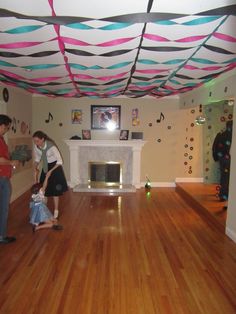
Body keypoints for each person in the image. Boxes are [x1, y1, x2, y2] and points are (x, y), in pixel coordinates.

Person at [32, 131, 68, 219]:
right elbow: (37, 158)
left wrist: (50, 171)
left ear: (42, 139)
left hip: (55, 167)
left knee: (55, 191)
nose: (35, 143)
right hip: (45, 167)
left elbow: (60, 161)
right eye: (34, 141)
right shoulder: (37, 147)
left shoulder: (51, 146)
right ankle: (44, 210)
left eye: (37, 141)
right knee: (44, 191)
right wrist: (35, 166)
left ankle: (56, 210)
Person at [0, 114, 20, 244]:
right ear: (1, 125)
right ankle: (1, 236)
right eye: (6, 127)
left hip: (4, 177)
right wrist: (12, 162)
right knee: (3, 208)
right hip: (1, 178)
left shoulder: (1, 139)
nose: (7, 129)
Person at [212, 120, 233, 202]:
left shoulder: (221, 134)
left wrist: (216, 157)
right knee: (226, 177)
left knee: (224, 177)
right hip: (228, 158)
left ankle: (223, 195)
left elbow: (214, 147)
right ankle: (225, 195)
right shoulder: (231, 135)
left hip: (223, 158)